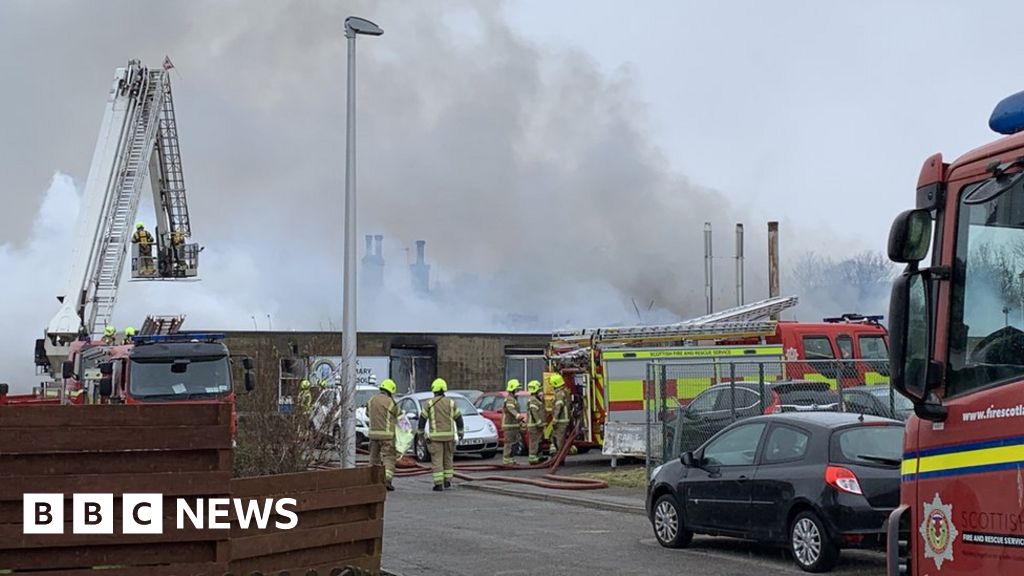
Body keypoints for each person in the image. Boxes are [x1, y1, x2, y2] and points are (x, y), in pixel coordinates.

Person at [418, 378, 464, 491]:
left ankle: (438, 484)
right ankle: (447, 481)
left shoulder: (429, 403)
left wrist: (420, 433)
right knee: (448, 459)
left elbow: (422, 419)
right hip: (449, 437)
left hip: (436, 438)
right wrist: (460, 432)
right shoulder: (451, 402)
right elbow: (458, 418)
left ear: (434, 390)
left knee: (437, 460)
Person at [367, 378, 400, 491]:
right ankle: (387, 480)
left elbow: (367, 413)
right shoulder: (391, 402)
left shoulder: (371, 400)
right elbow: (399, 417)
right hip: (387, 436)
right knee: (389, 457)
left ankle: (372, 480)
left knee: (373, 458)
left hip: (373, 435)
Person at [501, 379, 524, 465]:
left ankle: (511, 459)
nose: (517, 391)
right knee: (509, 443)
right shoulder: (509, 400)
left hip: (513, 425)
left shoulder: (513, 399)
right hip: (509, 426)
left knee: (514, 443)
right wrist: (517, 415)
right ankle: (507, 460)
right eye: (516, 389)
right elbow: (511, 409)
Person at [549, 373, 571, 457]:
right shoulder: (564, 392)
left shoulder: (559, 394)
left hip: (561, 420)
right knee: (555, 437)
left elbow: (558, 406)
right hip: (562, 420)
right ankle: (557, 455)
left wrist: (555, 418)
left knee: (559, 439)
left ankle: (560, 457)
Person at [526, 380, 546, 464]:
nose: (540, 391)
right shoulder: (533, 400)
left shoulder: (536, 399)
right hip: (534, 425)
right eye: (539, 390)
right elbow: (534, 412)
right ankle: (532, 457)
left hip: (536, 425)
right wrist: (538, 422)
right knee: (534, 441)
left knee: (538, 440)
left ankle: (539, 456)